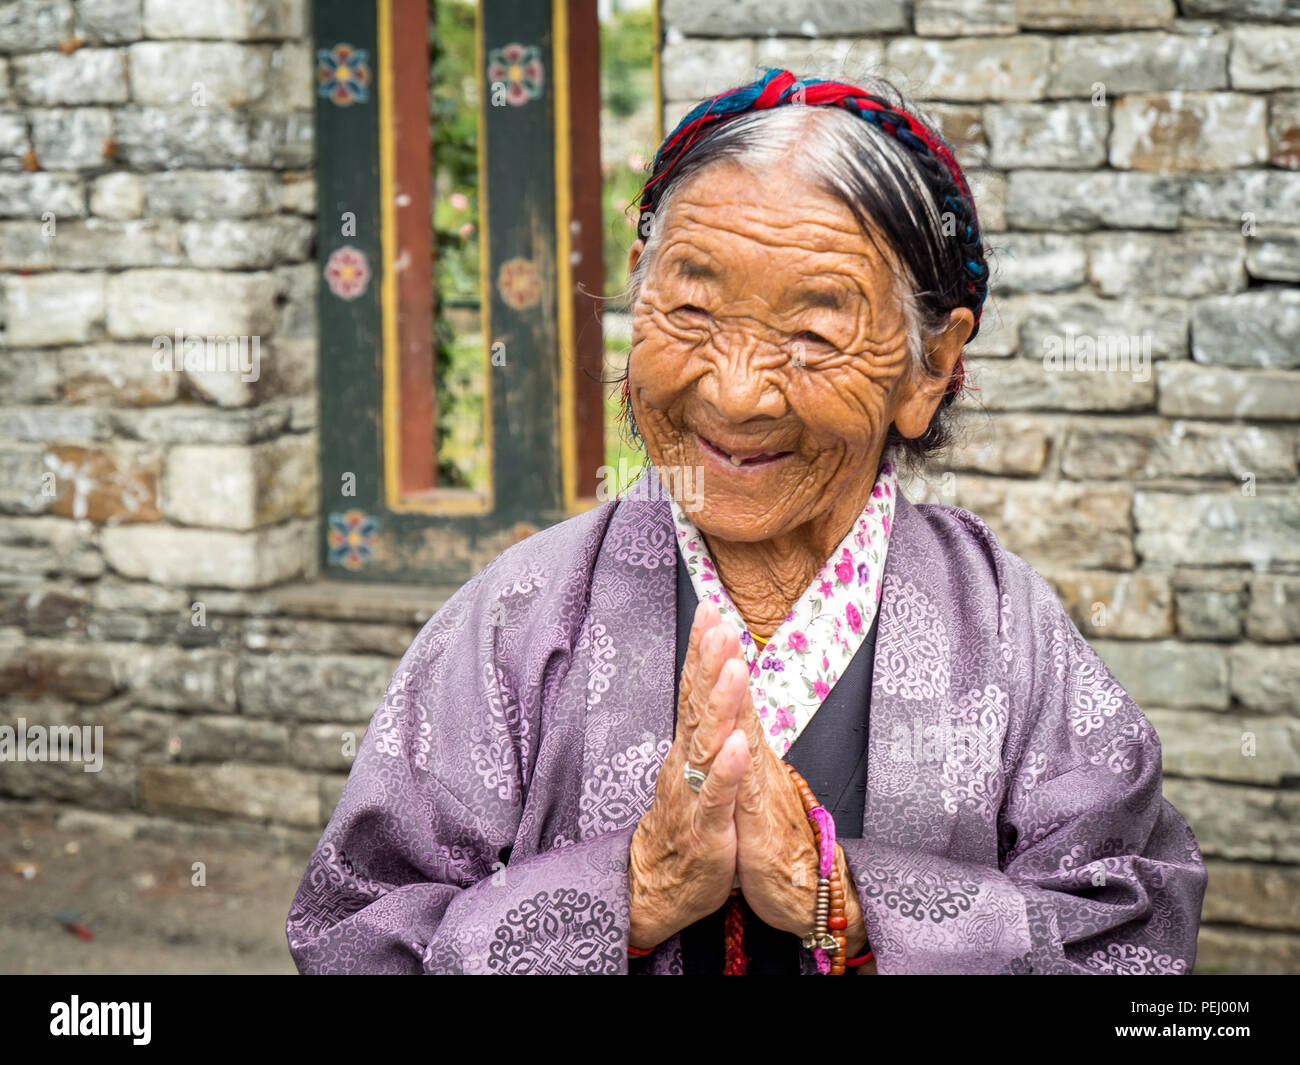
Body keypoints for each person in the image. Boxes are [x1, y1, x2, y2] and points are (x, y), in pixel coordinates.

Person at [286, 68, 1206, 974]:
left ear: (929, 367)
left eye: (813, 332)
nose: (735, 390)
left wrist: (839, 899)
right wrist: (634, 892)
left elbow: (1132, 932)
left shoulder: (1005, 632)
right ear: (637, 297)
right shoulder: (520, 615)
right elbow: (355, 933)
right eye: (690, 308)